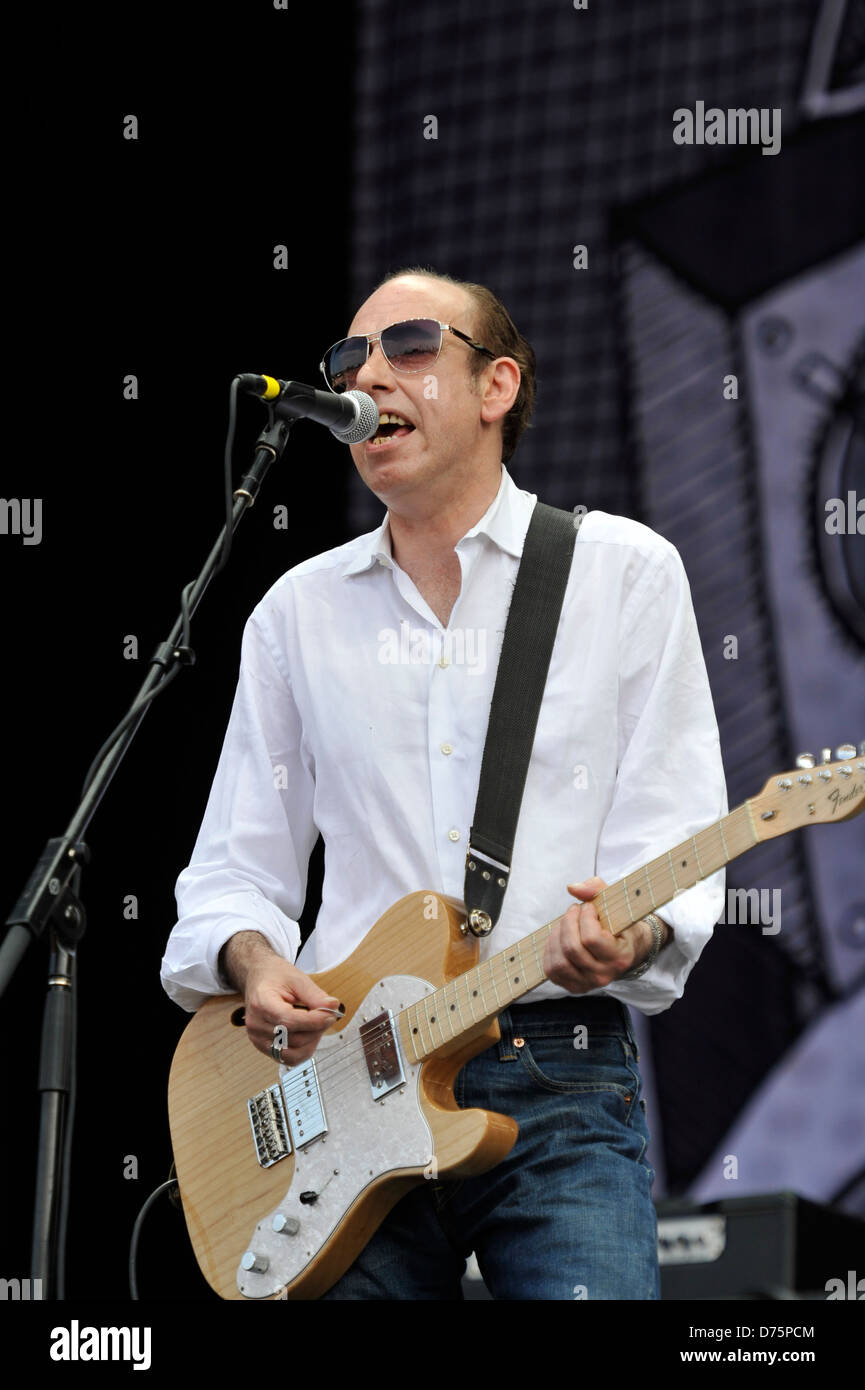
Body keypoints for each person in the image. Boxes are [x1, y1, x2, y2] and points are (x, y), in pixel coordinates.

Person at [161, 267, 727, 1300]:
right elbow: (237, 866)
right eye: (348, 360)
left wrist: (631, 932)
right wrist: (251, 964)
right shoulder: (295, 611)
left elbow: (674, 829)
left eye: (411, 348)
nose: (369, 376)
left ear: (496, 386)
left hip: (554, 1069)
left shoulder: (622, 572)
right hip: (336, 1086)